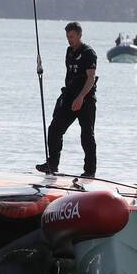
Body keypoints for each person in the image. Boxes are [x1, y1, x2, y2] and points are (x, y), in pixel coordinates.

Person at [36, 21, 97, 177]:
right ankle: (53, 164)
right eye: (67, 36)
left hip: (85, 99)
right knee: (55, 129)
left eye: (72, 36)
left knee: (86, 135)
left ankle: (89, 171)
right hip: (69, 97)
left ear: (79, 35)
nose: (69, 39)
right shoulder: (69, 51)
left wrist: (81, 97)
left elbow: (91, 78)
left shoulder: (88, 53)